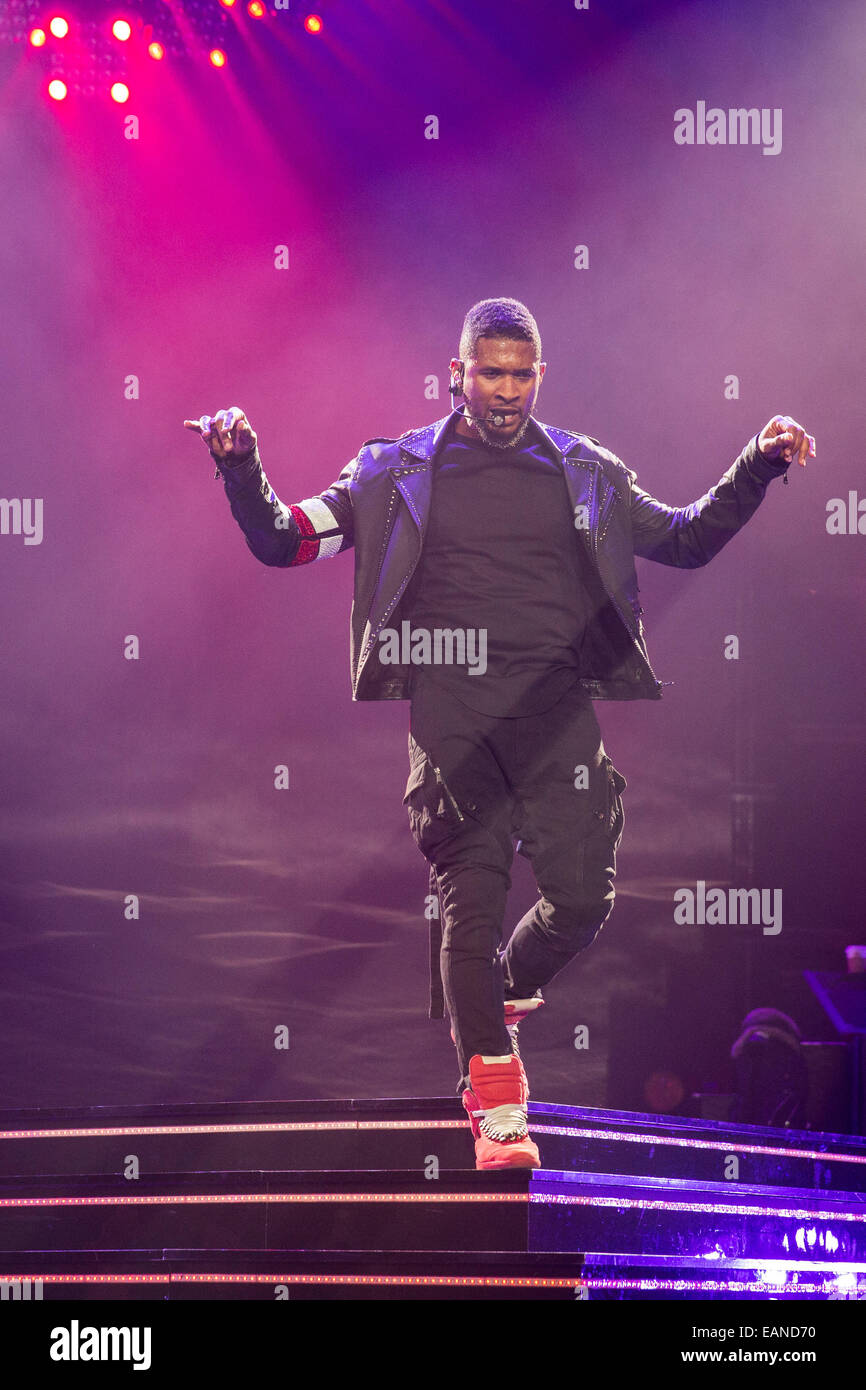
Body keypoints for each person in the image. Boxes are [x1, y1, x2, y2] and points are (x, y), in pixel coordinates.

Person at [184, 297, 816, 1171]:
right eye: (491, 372)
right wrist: (241, 466)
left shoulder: (585, 471)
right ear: (458, 373)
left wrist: (755, 464)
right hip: (455, 724)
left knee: (584, 902)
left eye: (523, 374)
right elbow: (287, 541)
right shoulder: (394, 472)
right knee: (468, 905)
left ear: (541, 377)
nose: (507, 390)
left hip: (559, 720)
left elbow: (684, 539)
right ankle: (498, 1108)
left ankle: (506, 988)